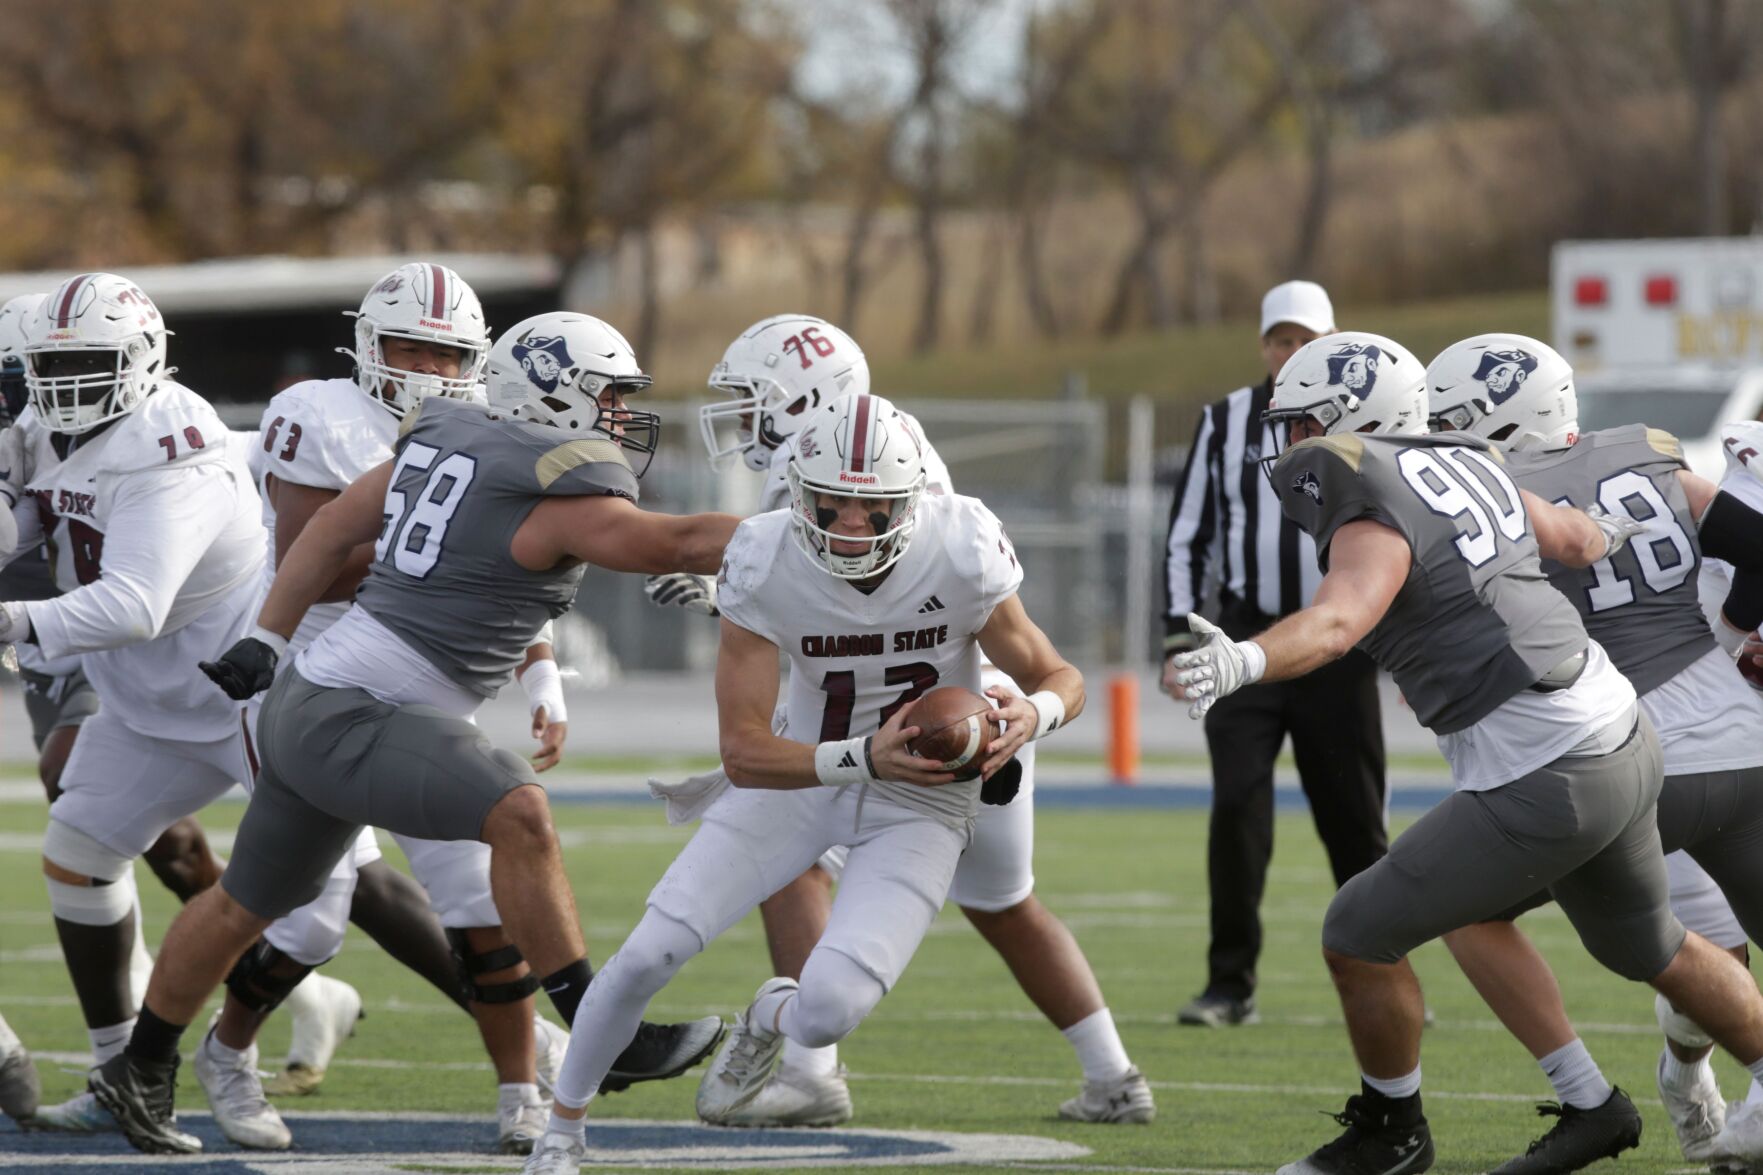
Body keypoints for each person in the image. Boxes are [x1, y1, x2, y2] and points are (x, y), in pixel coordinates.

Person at [84, 310, 734, 1156]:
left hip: (313, 696)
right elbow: (674, 542)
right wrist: (808, 532)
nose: (617, 414)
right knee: (520, 812)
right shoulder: (548, 487)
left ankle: (138, 1068)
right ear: (549, 394)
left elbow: (330, 531)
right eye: (605, 395)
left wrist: (268, 639)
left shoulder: (452, 436)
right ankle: (604, 1027)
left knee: (245, 901)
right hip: (351, 710)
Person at [1167, 331, 1763, 1174]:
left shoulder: (1368, 482)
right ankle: (1627, 1102)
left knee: (1356, 929)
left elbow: (1339, 621)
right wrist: (1608, 531)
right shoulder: (1476, 463)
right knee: (1649, 943)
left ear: (1348, 420)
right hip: (1621, 729)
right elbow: (1572, 537)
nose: (1291, 444)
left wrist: (1245, 658)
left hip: (1546, 762)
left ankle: (1392, 1133)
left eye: (1301, 424)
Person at [523, 391, 1087, 1174]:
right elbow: (743, 751)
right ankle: (560, 1136)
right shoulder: (762, 555)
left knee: (825, 1013)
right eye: (832, 503)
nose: (851, 525)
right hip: (802, 770)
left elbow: (1059, 673)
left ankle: (767, 1013)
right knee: (651, 950)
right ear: (799, 493)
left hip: (921, 797)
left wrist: (1036, 713)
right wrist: (861, 755)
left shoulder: (960, 543)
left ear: (911, 499)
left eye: (872, 508)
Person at [645, 317, 1149, 1128]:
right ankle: (1113, 1072)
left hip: (897, 734)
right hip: (986, 723)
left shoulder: (827, 478)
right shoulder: (886, 451)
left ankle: (809, 1068)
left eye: (754, 403)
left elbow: (838, 604)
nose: (745, 422)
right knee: (1005, 901)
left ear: (806, 399)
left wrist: (735, 599)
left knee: (791, 861)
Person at [203, 263, 580, 1154]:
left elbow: (507, 581)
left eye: (449, 355)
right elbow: (316, 558)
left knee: (477, 893)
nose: (427, 369)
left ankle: (520, 1089)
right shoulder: (320, 414)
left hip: (428, 684)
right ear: (367, 345)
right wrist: (444, 550)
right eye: (409, 346)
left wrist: (541, 676)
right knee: (309, 917)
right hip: (319, 679)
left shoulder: (486, 423)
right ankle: (226, 1054)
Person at [1423, 336, 1763, 1171]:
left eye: (1448, 422)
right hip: (1736, 739)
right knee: (1704, 955)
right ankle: (1692, 1085)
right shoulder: (1649, 460)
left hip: (1610, 751)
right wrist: (1721, 640)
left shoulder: (1489, 496)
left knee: (1456, 904)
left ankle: (1589, 1097)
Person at [0, 274, 267, 1145]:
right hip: (146, 696)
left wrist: (8, 620)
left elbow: (132, 604)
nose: (67, 381)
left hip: (245, 692)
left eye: (88, 362)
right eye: (51, 364)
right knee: (79, 851)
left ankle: (529, 1056)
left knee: (320, 902)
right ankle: (125, 1071)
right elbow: (31, 524)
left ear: (143, 359)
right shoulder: (46, 424)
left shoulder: (172, 448)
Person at [1161, 280, 1387, 1027]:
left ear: (1330, 341)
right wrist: (1176, 636)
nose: (1292, 352)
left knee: (1353, 818)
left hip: (1337, 643)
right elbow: (1188, 533)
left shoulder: (1365, 419)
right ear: (1263, 345)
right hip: (1244, 639)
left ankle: (1383, 967)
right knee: (1235, 808)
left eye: (1305, 340)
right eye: (1281, 340)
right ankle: (1230, 984)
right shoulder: (1225, 421)